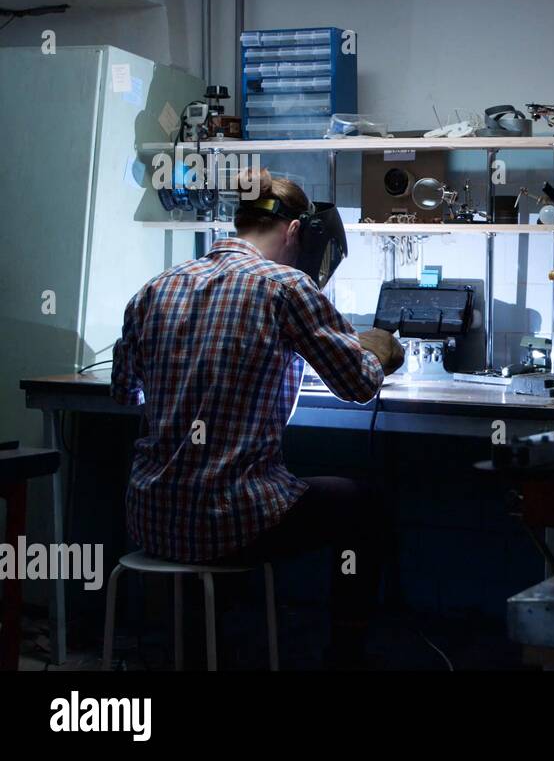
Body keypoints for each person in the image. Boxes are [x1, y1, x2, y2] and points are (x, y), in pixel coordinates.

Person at [111, 169, 404, 667]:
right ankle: (346, 657)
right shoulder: (286, 286)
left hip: (150, 519)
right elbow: (356, 385)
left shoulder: (155, 288)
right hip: (228, 522)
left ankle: (200, 649)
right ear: (294, 232)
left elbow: (124, 393)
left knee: (228, 495)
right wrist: (380, 349)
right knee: (363, 504)